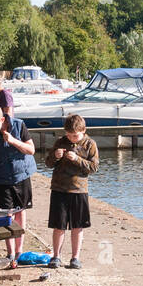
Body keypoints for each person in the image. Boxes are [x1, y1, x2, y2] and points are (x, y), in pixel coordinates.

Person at [0, 103, 37, 268]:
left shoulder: (19, 125)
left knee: (20, 213)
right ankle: (10, 253)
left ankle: (19, 251)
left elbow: (31, 150)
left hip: (21, 175)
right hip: (2, 179)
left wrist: (13, 141)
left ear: (2, 119)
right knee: (6, 215)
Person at [44, 114, 98, 270]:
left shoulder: (90, 144)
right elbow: (48, 163)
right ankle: (56, 256)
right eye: (69, 135)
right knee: (58, 226)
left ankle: (75, 257)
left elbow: (94, 167)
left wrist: (77, 159)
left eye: (75, 136)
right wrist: (55, 156)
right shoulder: (60, 142)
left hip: (79, 190)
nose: (72, 138)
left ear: (83, 131)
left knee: (77, 226)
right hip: (59, 189)